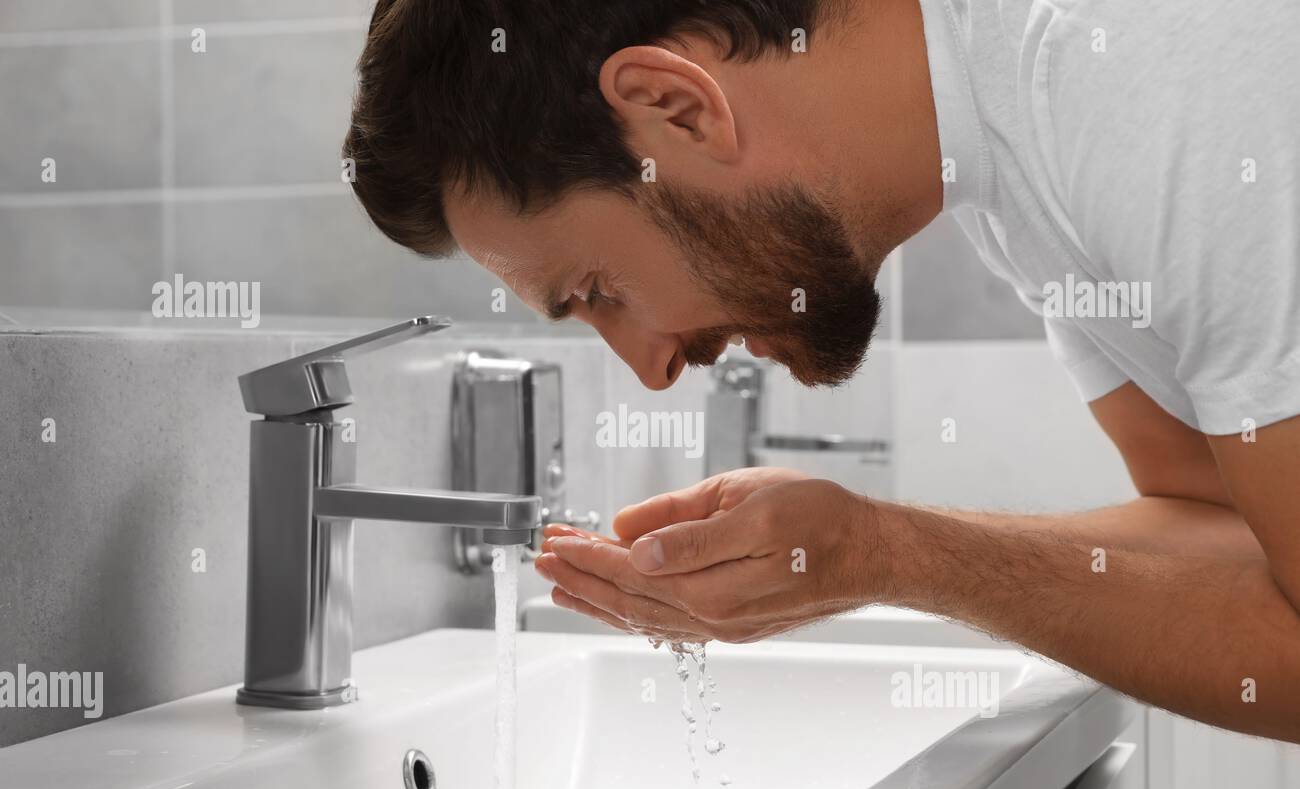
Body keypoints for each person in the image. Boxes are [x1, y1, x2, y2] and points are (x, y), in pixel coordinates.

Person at [344, 0, 1300, 742]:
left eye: (599, 288)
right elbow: (1218, 523)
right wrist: (868, 547)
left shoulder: (1139, 73)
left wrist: (885, 555)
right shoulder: (1008, 152)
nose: (649, 368)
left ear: (675, 106)